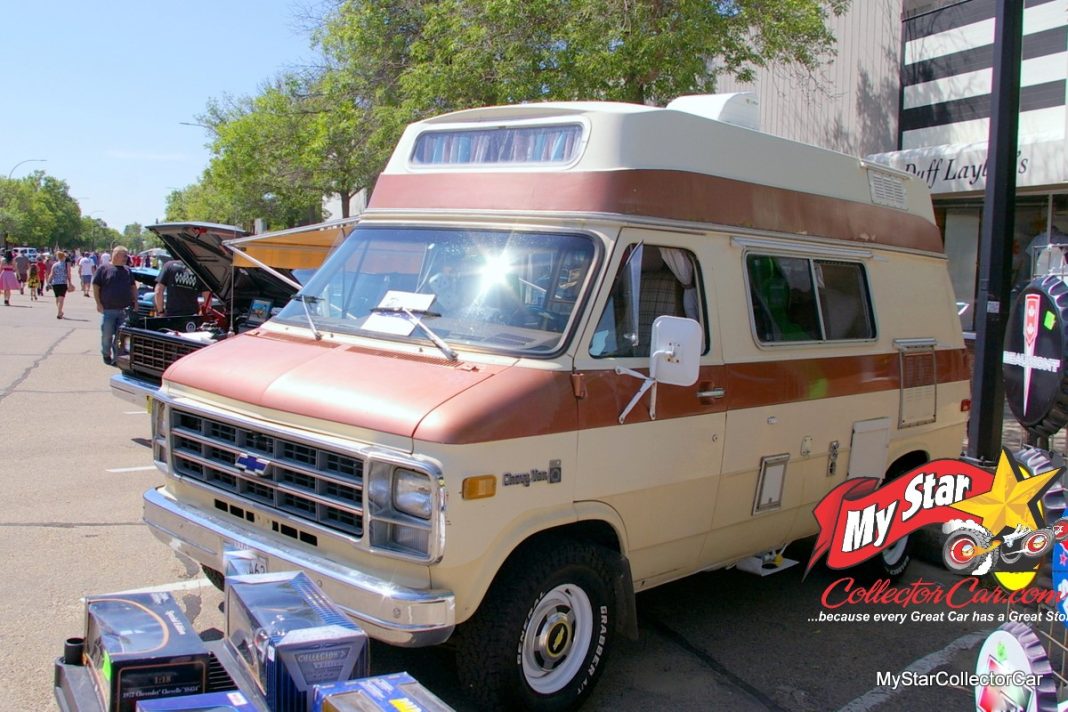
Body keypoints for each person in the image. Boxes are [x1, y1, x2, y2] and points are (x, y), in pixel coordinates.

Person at [92, 246, 137, 365]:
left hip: (124, 310)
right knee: (106, 335)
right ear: (116, 255)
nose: (126, 258)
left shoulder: (127, 270)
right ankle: (106, 354)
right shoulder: (103, 269)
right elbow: (96, 287)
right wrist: (98, 303)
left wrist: (135, 302)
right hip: (108, 309)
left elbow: (133, 287)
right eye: (124, 255)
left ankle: (117, 357)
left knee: (120, 337)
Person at [47, 250, 74, 318]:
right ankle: (59, 312)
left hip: (55, 283)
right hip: (63, 283)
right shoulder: (65, 264)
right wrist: (70, 282)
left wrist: (48, 282)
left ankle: (60, 311)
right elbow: (68, 273)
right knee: (61, 298)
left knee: (57, 298)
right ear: (63, 257)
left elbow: (51, 274)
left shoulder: (55, 264)